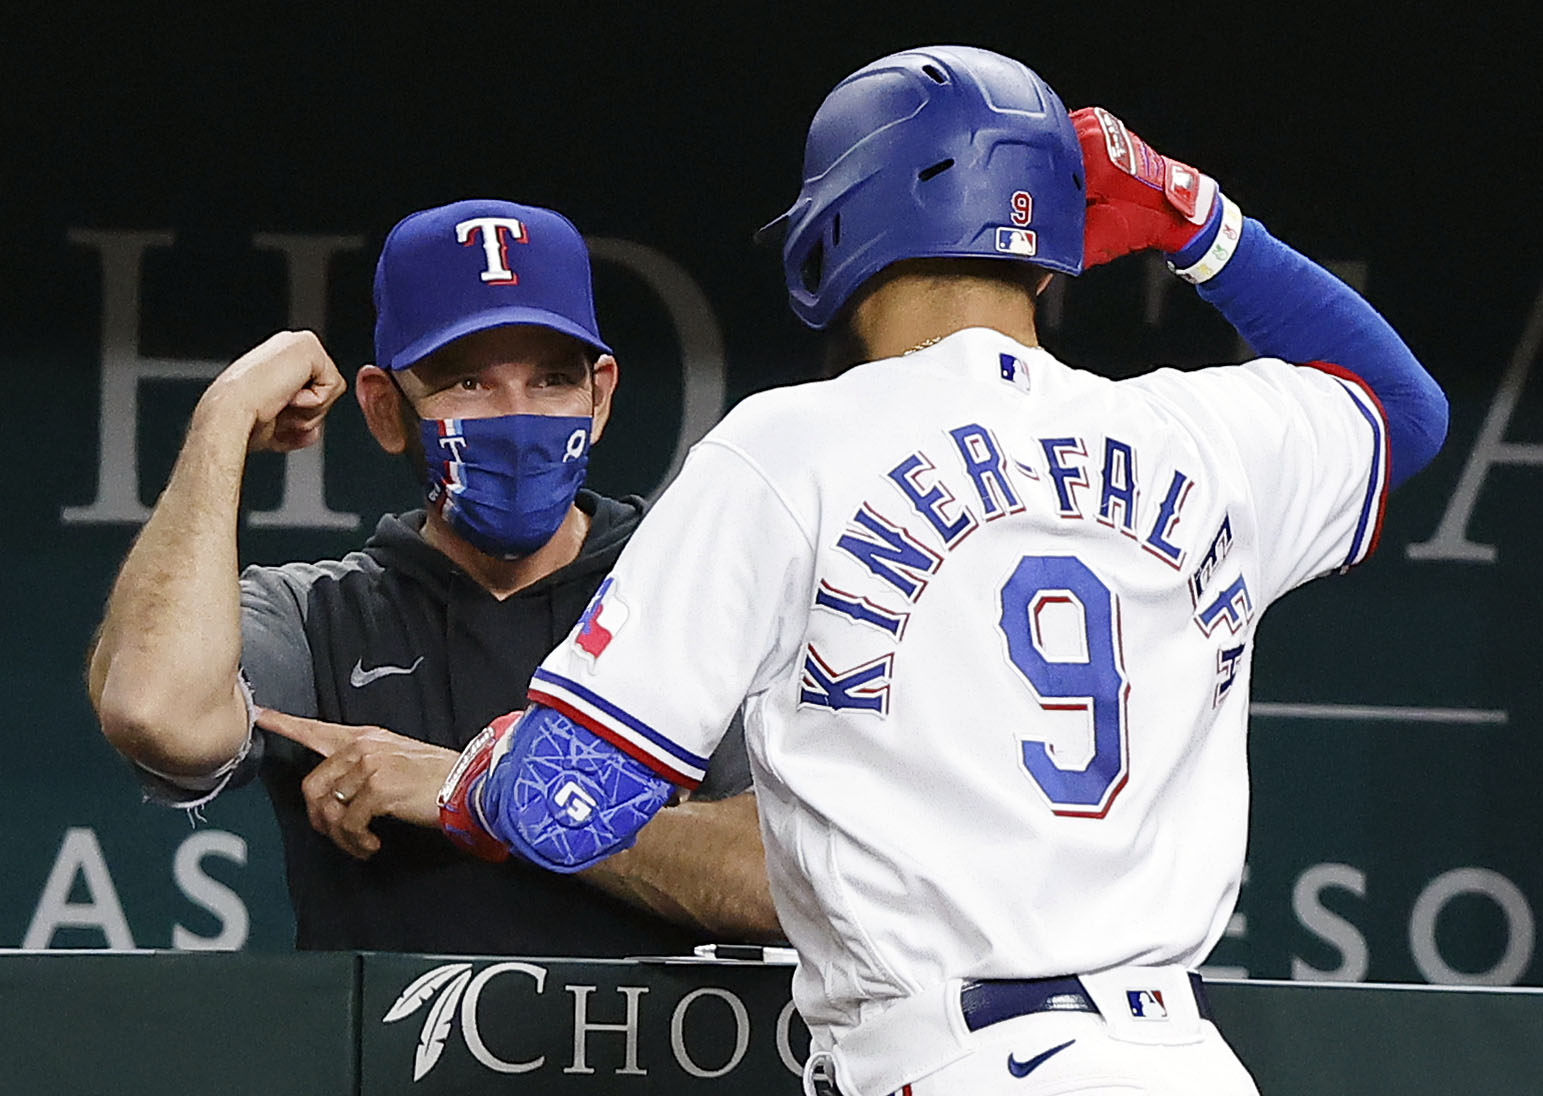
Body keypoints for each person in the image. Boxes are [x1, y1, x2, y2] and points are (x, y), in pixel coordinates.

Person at [435, 47, 1448, 1096]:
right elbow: (1404, 412)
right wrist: (1195, 222)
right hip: (1183, 1060)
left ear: (836, 234)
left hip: (957, 1058)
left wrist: (479, 778)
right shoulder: (1194, 436)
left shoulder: (792, 444)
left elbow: (566, 800)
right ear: (1048, 258)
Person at [88, 198, 779, 955]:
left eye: (551, 381)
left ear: (600, 394)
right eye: (469, 385)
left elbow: (785, 883)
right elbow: (156, 712)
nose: (517, 419)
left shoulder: (694, 591)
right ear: (385, 411)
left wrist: (480, 793)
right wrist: (221, 421)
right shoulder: (321, 614)